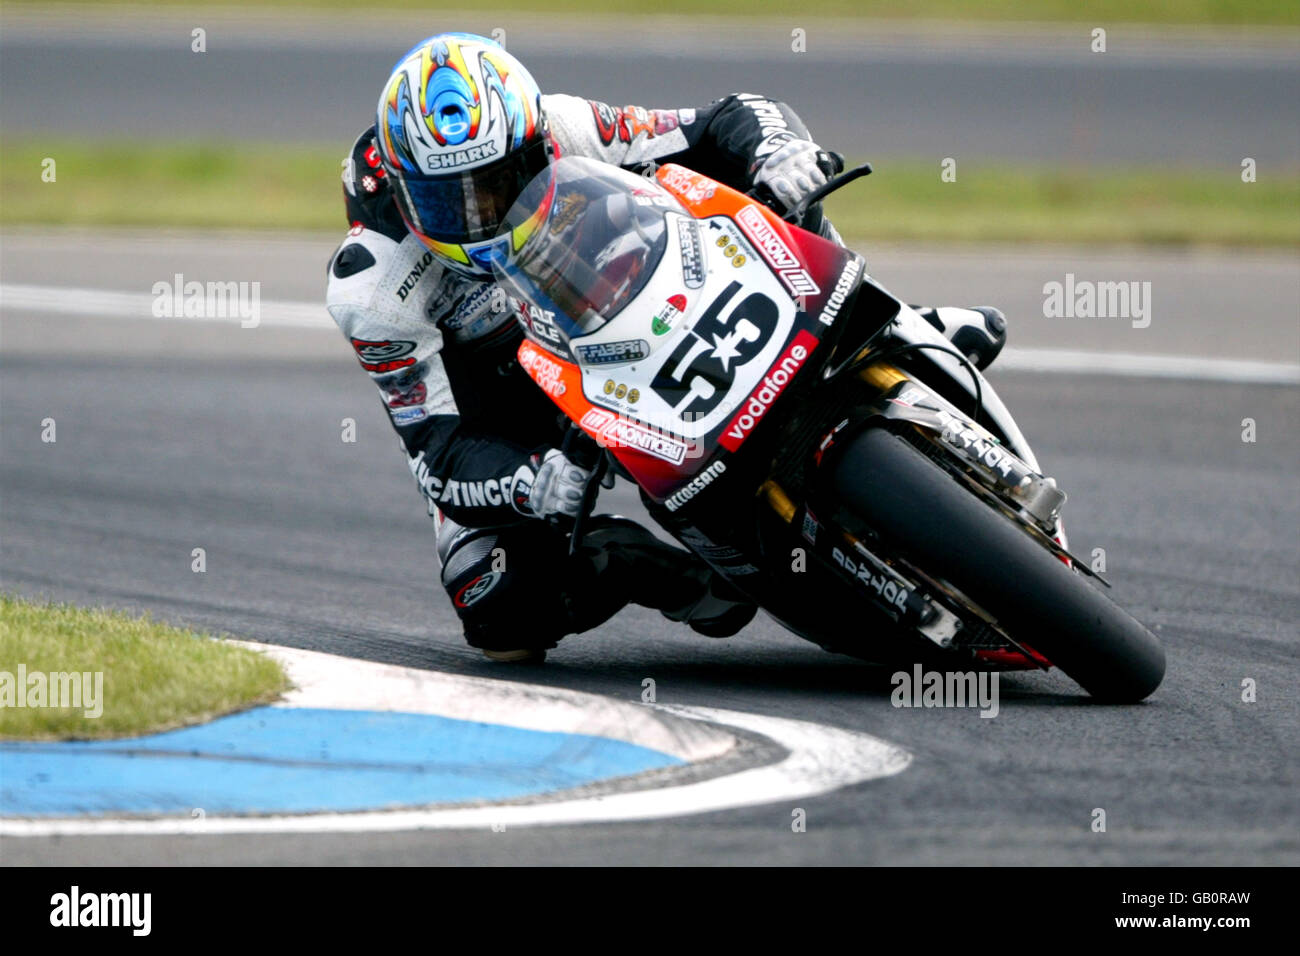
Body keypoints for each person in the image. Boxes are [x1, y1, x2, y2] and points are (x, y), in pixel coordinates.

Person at [325, 32, 1006, 662]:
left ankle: (887, 324)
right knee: (497, 612)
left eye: (501, 182)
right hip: (518, 419)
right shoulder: (374, 289)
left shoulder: (565, 124)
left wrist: (775, 154)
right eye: (452, 202)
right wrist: (532, 481)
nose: (482, 216)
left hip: (633, 311)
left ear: (535, 144)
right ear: (407, 192)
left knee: (775, 189)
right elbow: (437, 456)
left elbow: (722, 119)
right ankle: (659, 571)